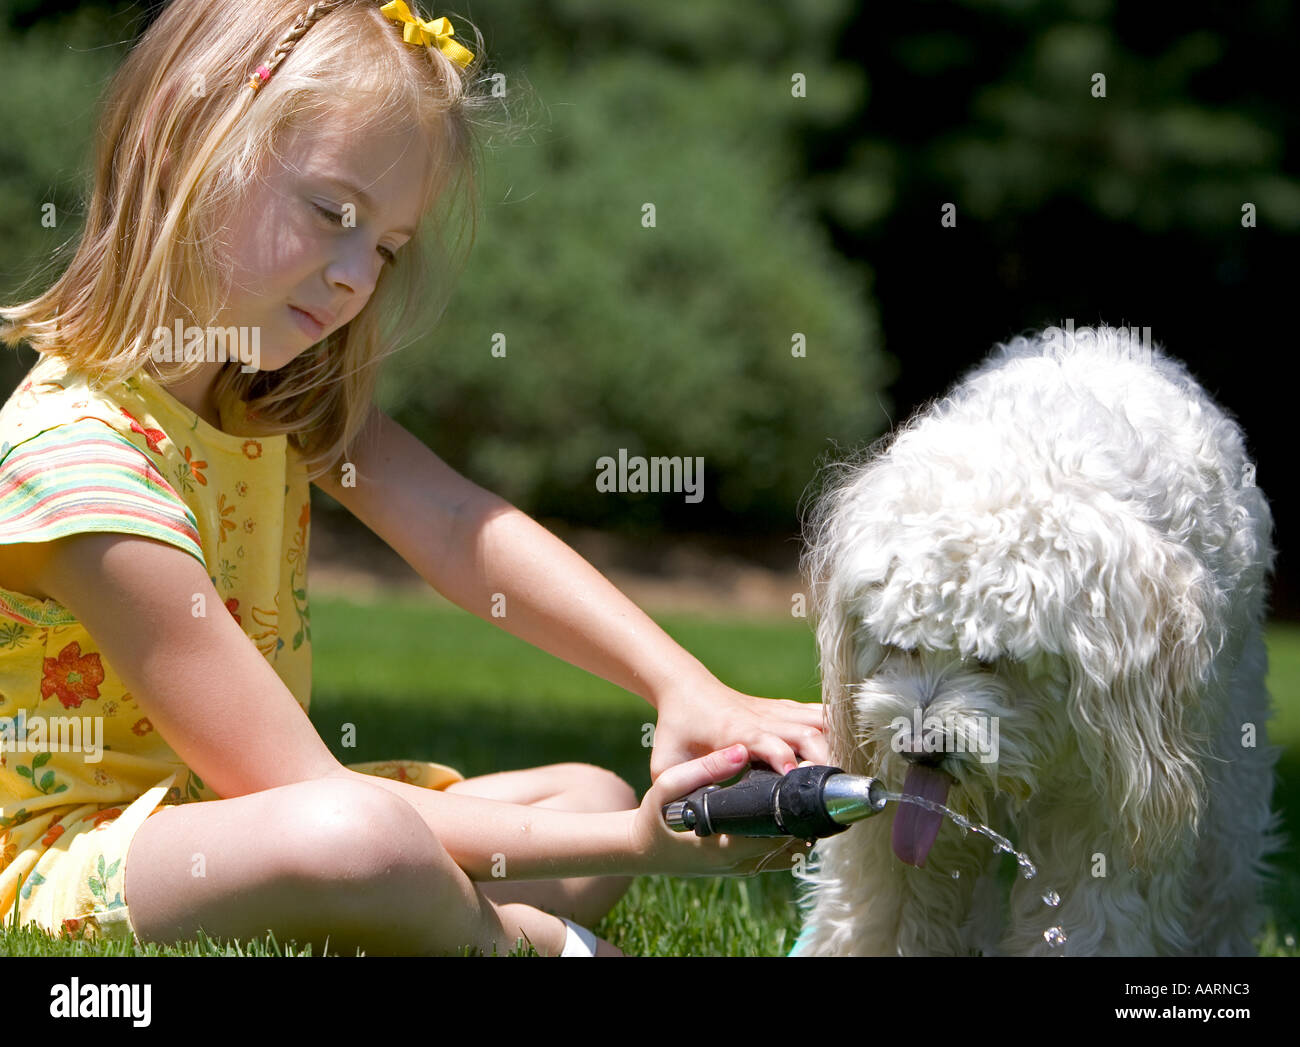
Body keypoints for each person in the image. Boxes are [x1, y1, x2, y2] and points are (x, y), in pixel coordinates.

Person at [0, 0, 829, 958]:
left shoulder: (264, 396)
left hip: (255, 820)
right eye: (332, 214)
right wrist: (641, 844)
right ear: (187, 139)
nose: (357, 277)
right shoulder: (78, 462)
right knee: (362, 838)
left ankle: (424, 913)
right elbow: (296, 785)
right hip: (74, 858)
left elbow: (457, 526)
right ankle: (520, 943)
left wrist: (684, 685)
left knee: (582, 793)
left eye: (386, 248)